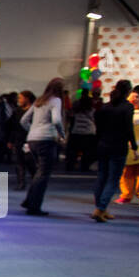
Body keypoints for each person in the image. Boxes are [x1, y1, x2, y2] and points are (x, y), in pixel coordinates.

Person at [91, 79, 138, 222]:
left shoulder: (104, 107)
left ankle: (101, 208)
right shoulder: (127, 107)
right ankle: (100, 209)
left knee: (102, 176)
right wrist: (135, 146)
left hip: (103, 145)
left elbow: (97, 126)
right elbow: (129, 129)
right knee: (113, 179)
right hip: (118, 146)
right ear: (128, 91)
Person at [20, 77, 66, 215]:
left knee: (37, 173)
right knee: (43, 174)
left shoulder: (39, 100)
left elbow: (23, 120)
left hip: (32, 140)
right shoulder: (56, 100)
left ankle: (29, 200)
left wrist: (32, 130)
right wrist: (61, 134)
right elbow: (57, 119)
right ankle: (34, 206)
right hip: (46, 139)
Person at [116, 86, 139, 210]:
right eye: (132, 97)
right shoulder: (123, 112)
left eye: (137, 97)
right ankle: (126, 195)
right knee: (126, 173)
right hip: (127, 149)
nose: (134, 99)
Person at [65, 92, 98, 172]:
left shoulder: (76, 111)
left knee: (73, 152)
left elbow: (71, 121)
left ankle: (70, 166)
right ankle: (85, 166)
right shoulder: (93, 111)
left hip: (76, 133)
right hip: (89, 133)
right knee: (87, 153)